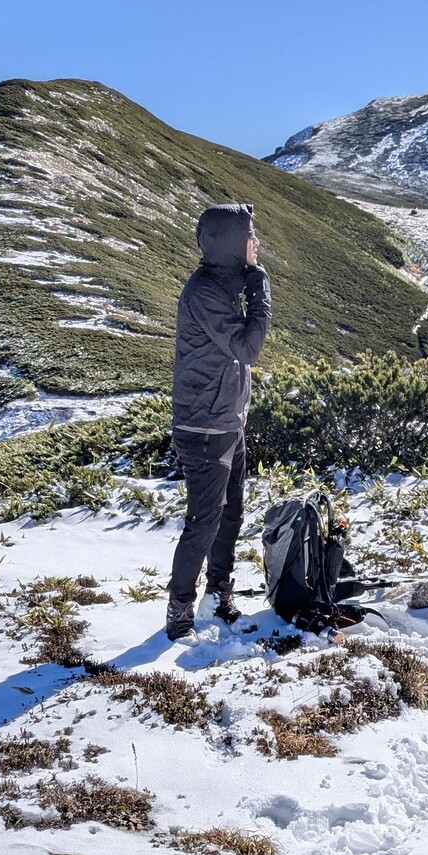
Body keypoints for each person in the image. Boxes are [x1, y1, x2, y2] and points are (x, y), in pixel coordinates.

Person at [165, 203, 271, 641]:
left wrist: (246, 278)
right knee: (205, 519)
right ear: (232, 243)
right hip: (204, 426)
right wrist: (260, 286)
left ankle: (219, 593)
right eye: (250, 236)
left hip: (228, 420)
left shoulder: (223, 285)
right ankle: (180, 609)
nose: (257, 243)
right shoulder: (206, 292)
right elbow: (247, 348)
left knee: (230, 514)